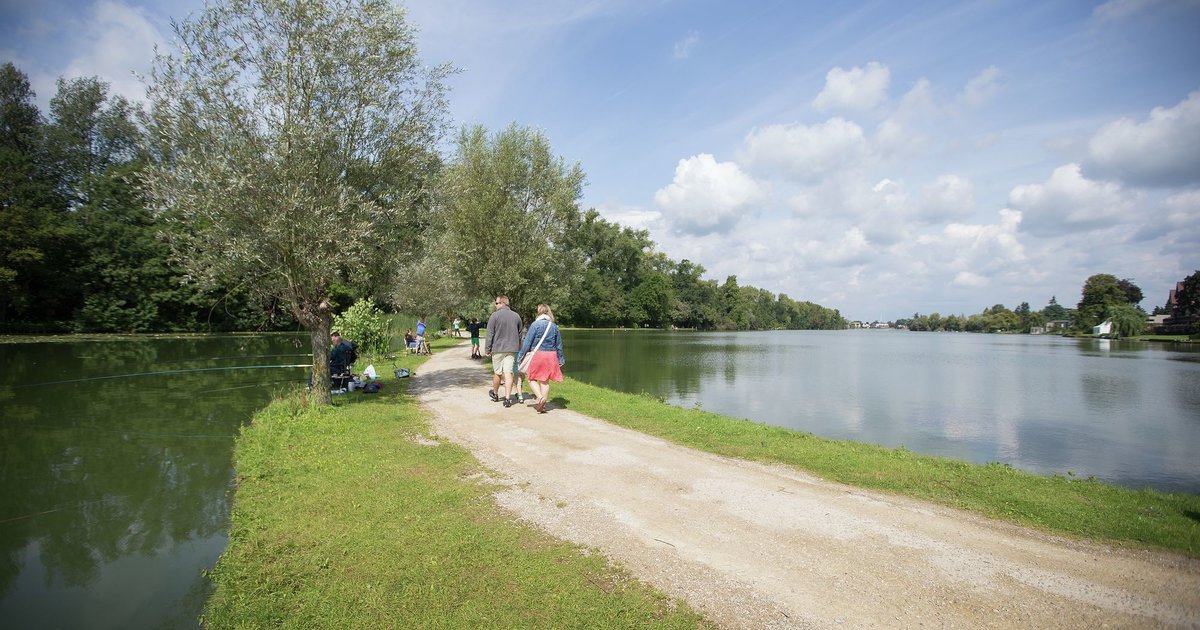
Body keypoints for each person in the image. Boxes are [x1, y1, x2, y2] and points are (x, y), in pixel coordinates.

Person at [515, 304, 564, 414]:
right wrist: (560, 359)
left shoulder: (535, 325)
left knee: (531, 378)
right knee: (545, 381)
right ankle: (542, 406)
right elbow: (559, 345)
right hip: (551, 355)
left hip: (538, 354)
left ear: (539, 312)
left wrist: (520, 356)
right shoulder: (554, 326)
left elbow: (527, 342)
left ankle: (540, 398)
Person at [485, 295, 523, 407]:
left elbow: (490, 334)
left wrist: (488, 349)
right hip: (512, 349)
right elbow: (520, 334)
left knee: (497, 372)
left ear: (502, 303)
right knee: (508, 373)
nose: (495, 305)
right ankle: (507, 398)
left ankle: (495, 394)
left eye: (496, 303)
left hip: (498, 348)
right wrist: (519, 348)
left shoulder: (494, 316)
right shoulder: (516, 316)